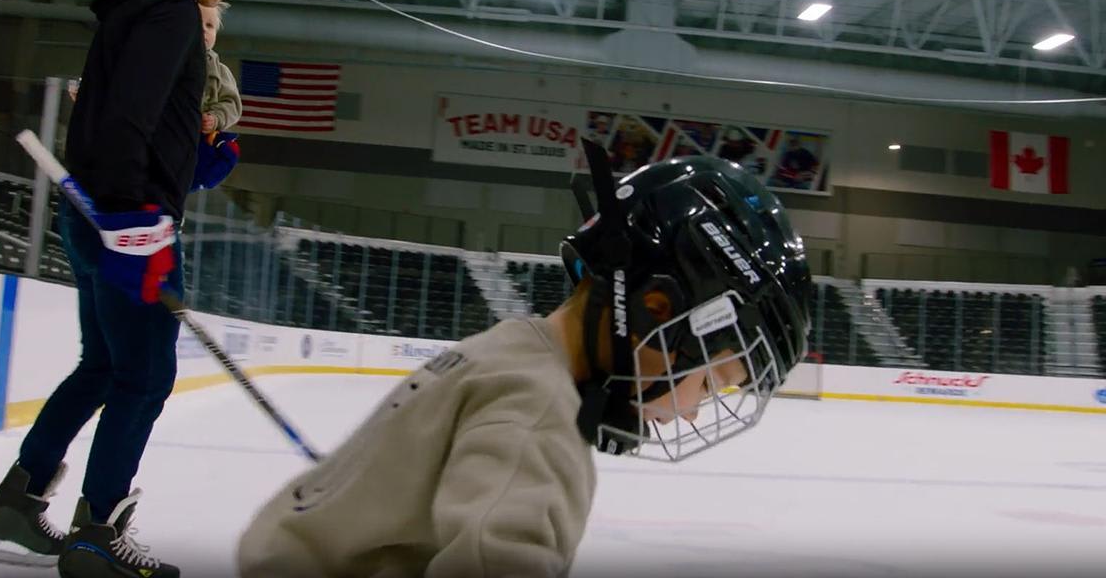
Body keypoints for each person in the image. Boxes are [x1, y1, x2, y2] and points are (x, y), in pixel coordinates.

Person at [237, 140, 812, 577]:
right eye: (712, 382)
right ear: (658, 306)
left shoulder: (508, 351)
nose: (693, 411)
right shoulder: (541, 421)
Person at [0, 0, 273, 578]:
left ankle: (16, 503)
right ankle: (99, 532)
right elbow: (129, 114)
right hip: (127, 217)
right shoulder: (170, 13)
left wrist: (177, 168)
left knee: (103, 365)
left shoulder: (140, 5)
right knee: (146, 375)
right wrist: (136, 217)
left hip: (98, 209)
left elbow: (135, 118)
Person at [199, 1, 242, 133]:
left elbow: (232, 104)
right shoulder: (168, 62)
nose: (203, 29)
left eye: (209, 25)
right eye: (197, 22)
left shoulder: (221, 71)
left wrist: (216, 118)